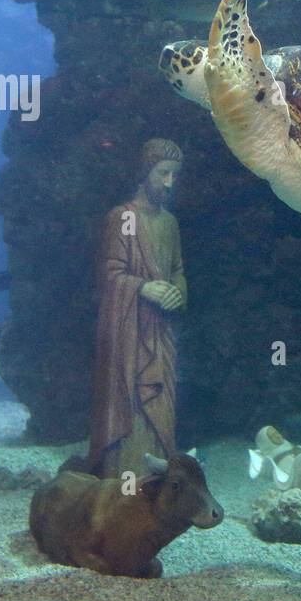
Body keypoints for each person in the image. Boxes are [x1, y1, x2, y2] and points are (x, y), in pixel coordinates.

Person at [88, 138, 188, 478]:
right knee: (131, 401)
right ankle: (122, 481)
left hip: (161, 332)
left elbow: (177, 270)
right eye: (163, 173)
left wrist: (177, 293)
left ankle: (156, 481)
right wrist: (144, 288)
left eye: (175, 175)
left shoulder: (170, 223)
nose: (169, 182)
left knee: (161, 402)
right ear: (146, 172)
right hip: (130, 332)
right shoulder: (122, 218)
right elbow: (110, 274)